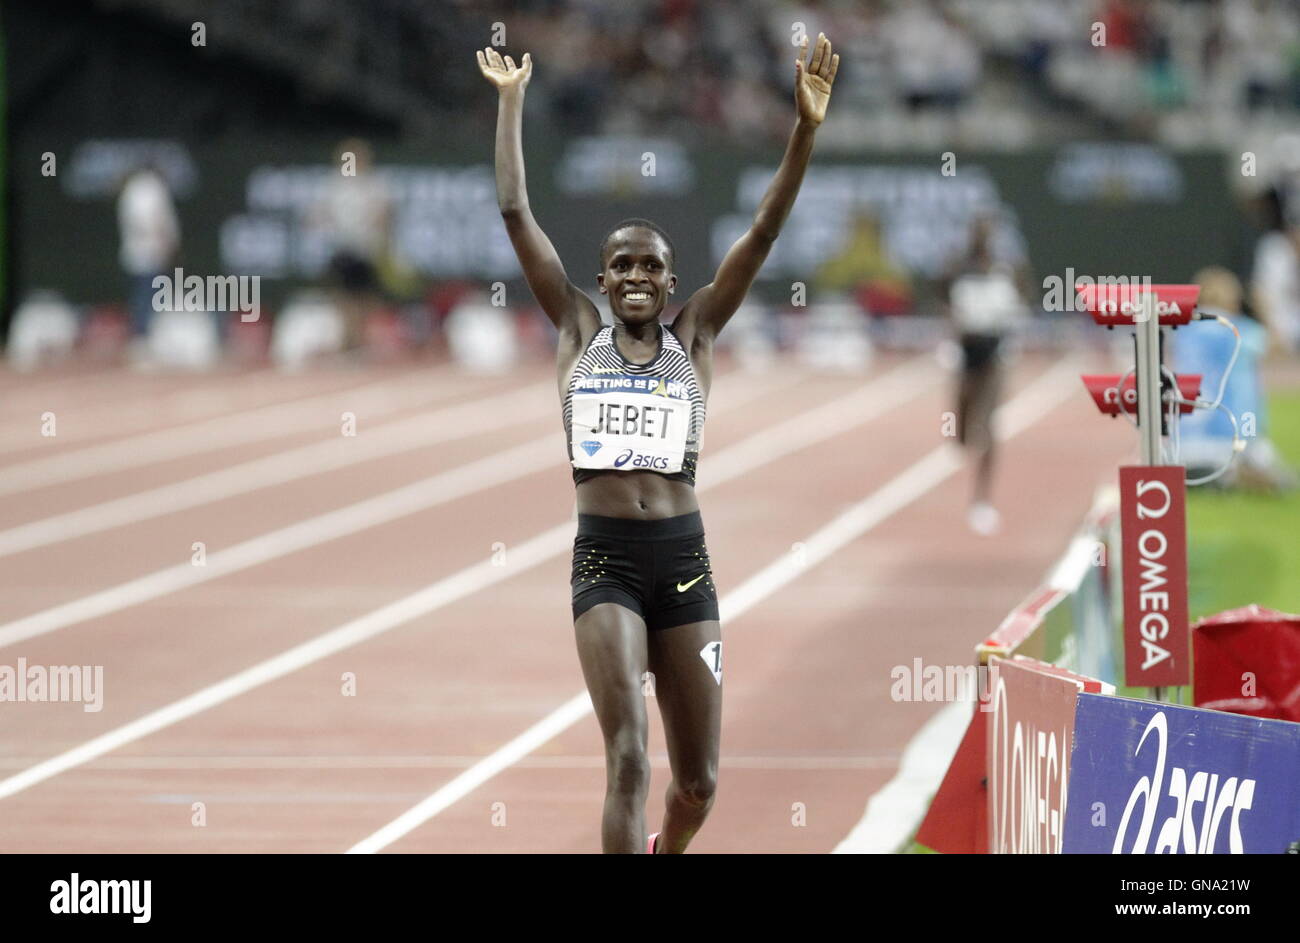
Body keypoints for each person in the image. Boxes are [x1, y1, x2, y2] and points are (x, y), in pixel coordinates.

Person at [477, 33, 839, 853]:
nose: (637, 275)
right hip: (604, 561)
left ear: (672, 283)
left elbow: (762, 231)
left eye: (651, 266)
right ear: (601, 281)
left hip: (684, 560)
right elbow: (514, 212)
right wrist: (510, 105)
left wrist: (804, 131)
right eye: (621, 266)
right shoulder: (577, 328)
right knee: (629, 757)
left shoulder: (698, 334)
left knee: (698, 781)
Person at [941, 215, 1031, 536]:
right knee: (964, 428)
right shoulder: (957, 267)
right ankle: (962, 434)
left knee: (989, 426)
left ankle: (981, 500)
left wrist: (1009, 325)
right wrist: (954, 331)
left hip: (995, 350)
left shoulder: (1005, 269)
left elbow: (1022, 299)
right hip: (966, 349)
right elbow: (944, 302)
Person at [116, 164, 180, 355]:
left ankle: (147, 337)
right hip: (148, 251)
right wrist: (163, 243)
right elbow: (152, 219)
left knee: (148, 295)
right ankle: (142, 339)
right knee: (147, 296)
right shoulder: (148, 187)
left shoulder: (134, 188)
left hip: (142, 251)